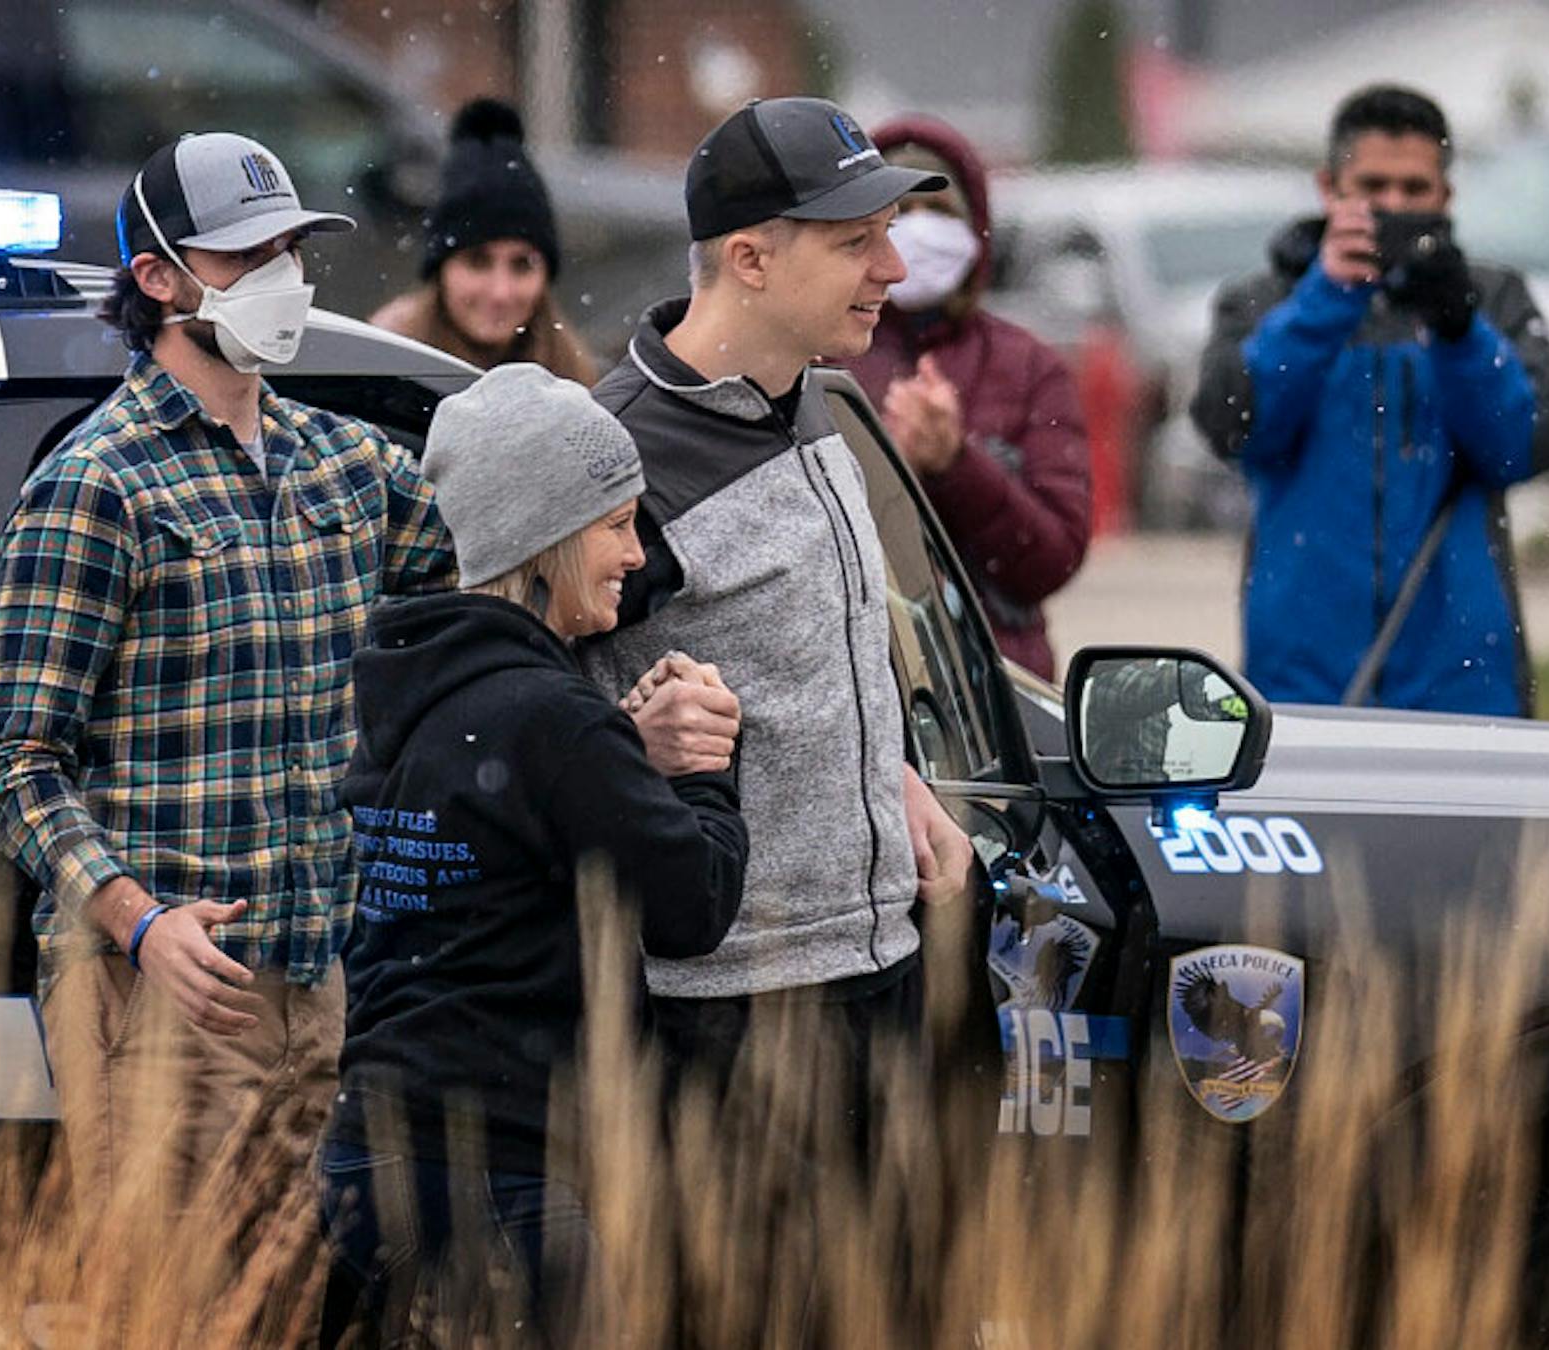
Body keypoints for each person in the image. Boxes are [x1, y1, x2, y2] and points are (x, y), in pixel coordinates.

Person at [0, 133, 454, 1222]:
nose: (282, 276)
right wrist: (139, 922)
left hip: (321, 985)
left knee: (295, 1302)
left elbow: (506, 571)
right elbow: (16, 764)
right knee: (174, 1301)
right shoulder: (96, 485)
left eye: (290, 249)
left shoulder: (346, 463)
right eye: (246, 256)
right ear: (156, 277)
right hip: (160, 1004)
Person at [320, 364, 748, 1347]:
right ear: (542, 536)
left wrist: (622, 758)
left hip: (366, 1161)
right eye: (616, 525)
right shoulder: (550, 719)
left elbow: (506, 831)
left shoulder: (405, 682)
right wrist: (703, 771)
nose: (635, 555)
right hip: (504, 1174)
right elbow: (693, 907)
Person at [584, 97, 974, 1094]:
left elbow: (804, 662)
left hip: (879, 960)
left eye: (889, 234)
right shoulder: (611, 457)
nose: (893, 269)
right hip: (729, 1004)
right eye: (856, 243)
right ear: (750, 260)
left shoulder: (808, 396)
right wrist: (628, 744)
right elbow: (510, 726)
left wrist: (887, 776)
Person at [1189, 84, 1549, 716]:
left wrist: (1459, 330)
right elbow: (1233, 425)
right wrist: (1326, 299)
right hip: (1304, 687)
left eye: (1414, 189)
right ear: (1329, 190)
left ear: (1446, 197)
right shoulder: (1262, 301)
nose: (1394, 206)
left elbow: (1524, 445)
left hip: (1463, 690)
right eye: (1373, 187)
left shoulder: (1493, 300)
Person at [843, 116, 1092, 681]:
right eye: (897, 215)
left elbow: (1053, 558)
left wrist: (956, 464)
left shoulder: (1030, 367)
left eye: (939, 210)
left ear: (974, 229)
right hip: (865, 674)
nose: (918, 231)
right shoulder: (824, 355)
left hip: (995, 684)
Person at [370, 98, 599, 384]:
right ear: (440, 270)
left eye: (522, 265)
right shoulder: (380, 371)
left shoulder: (578, 385)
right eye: (477, 262)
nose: (500, 292)